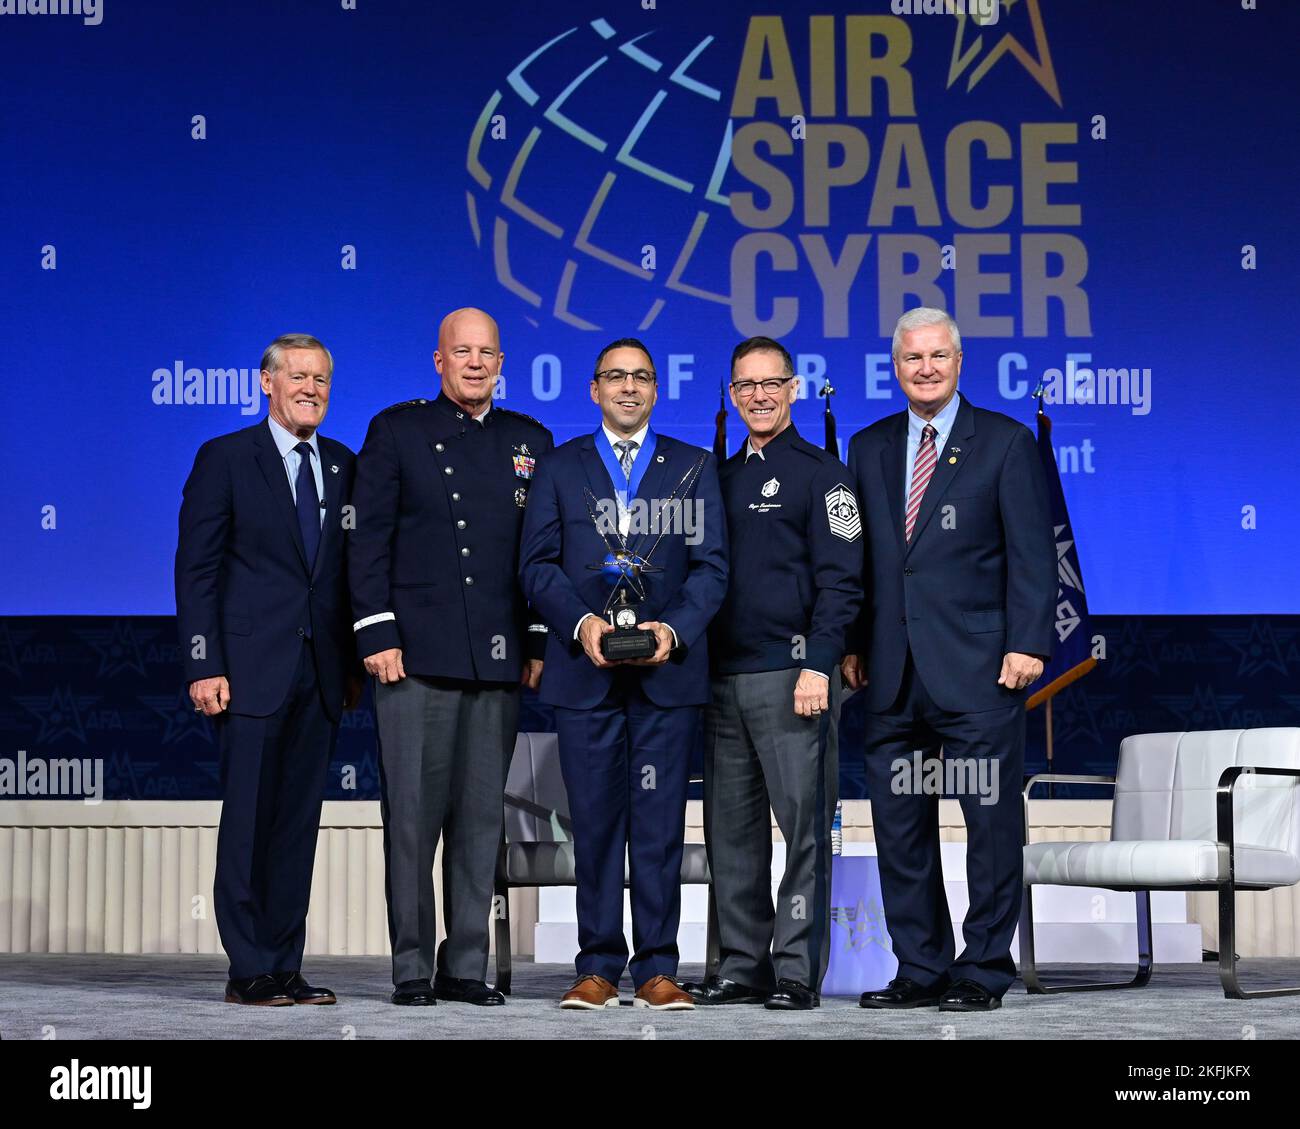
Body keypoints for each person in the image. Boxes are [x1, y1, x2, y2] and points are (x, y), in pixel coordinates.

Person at [843, 307, 1056, 1013]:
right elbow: (862, 563)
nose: (926, 368)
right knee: (901, 830)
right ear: (894, 366)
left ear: (960, 361)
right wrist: (849, 643)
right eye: (912, 358)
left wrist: (1028, 641)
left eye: (938, 356)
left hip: (980, 673)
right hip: (891, 674)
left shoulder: (1004, 442)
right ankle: (921, 967)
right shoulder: (868, 445)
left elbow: (1033, 552)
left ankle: (984, 967)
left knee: (990, 829)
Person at [348, 307, 552, 1007]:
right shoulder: (397, 431)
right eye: (461, 352)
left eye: (486, 353)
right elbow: (366, 541)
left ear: (501, 362)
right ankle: (410, 966)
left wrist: (534, 640)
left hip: (495, 666)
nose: (474, 363)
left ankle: (465, 964)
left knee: (480, 823)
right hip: (414, 662)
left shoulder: (531, 440)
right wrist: (376, 632)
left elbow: (538, 555)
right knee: (411, 820)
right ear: (438, 361)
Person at [519, 337, 728, 1011]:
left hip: (667, 677)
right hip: (585, 673)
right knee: (598, 824)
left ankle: (660, 967)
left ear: (656, 389)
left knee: (661, 824)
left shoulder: (694, 466)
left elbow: (712, 568)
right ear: (594, 389)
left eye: (641, 377)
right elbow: (538, 566)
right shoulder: (557, 466)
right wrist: (583, 626)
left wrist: (672, 630)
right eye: (616, 377)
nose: (629, 387)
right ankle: (599, 966)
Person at [176, 332, 357, 1007]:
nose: (310, 388)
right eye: (298, 376)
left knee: (295, 827)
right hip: (247, 672)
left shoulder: (344, 464)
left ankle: (284, 963)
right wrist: (204, 662)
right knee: (250, 822)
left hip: (321, 674)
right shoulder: (225, 459)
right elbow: (196, 570)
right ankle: (247, 965)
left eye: (321, 379)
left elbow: (344, 573)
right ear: (267, 383)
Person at [686, 336, 862, 1011]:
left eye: (771, 383)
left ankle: (795, 970)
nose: (759, 395)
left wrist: (820, 662)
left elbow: (842, 583)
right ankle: (742, 965)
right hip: (720, 681)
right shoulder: (714, 479)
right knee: (732, 835)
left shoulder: (825, 475)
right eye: (745, 385)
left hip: (796, 679)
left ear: (792, 388)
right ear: (731, 395)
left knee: (804, 830)